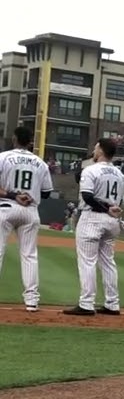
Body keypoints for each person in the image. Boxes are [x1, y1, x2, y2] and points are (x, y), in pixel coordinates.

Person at [63, 138, 124, 317]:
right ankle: (112, 303)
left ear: (100, 150)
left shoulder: (91, 170)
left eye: (96, 147)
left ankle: (86, 303)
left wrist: (105, 208)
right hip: (112, 220)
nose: (94, 149)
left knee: (87, 262)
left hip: (92, 217)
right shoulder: (120, 174)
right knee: (108, 262)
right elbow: (119, 201)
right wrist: (109, 208)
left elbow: (88, 197)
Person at [0, 126, 54, 312]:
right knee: (29, 255)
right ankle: (31, 301)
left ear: (14, 138)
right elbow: (46, 193)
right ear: (31, 141)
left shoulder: (3, 157)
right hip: (30, 210)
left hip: (6, 208)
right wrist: (30, 193)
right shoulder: (41, 163)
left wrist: (14, 194)